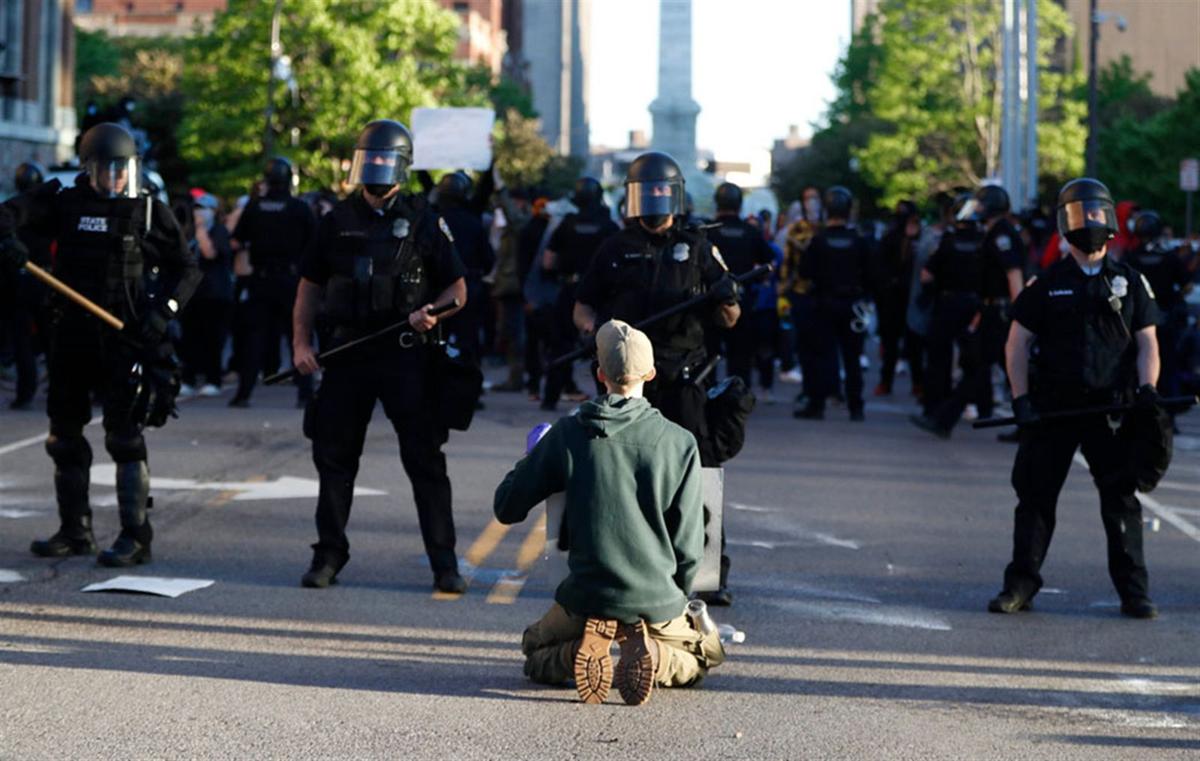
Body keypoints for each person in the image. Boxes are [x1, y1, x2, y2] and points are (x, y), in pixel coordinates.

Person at [494, 319, 725, 705]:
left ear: (599, 373)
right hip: (655, 595)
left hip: (586, 593)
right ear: (651, 374)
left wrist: (532, 458)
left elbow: (506, 507)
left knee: (534, 650)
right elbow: (688, 543)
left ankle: (576, 651)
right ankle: (656, 654)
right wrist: (675, 598)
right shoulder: (680, 443)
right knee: (704, 657)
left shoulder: (568, 434)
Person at [0, 123, 199, 566]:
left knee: (124, 438)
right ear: (89, 168)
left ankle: (135, 536)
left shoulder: (148, 211)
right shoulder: (64, 202)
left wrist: (161, 312)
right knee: (64, 437)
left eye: (124, 168)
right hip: (71, 335)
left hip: (124, 337)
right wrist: (10, 242)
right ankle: (75, 530)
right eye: (109, 169)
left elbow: (186, 269)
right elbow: (8, 214)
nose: (118, 177)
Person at [291, 119, 469, 593]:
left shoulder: (426, 221)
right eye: (367, 160)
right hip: (347, 355)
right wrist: (301, 344)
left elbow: (458, 289)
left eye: (383, 161)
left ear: (401, 167)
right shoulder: (335, 220)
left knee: (425, 460)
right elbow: (309, 287)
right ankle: (328, 554)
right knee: (334, 458)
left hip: (406, 357)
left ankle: (444, 562)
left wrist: (432, 312)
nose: (374, 169)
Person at [988, 178, 1162, 620]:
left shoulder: (1131, 282)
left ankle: (1134, 593)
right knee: (1035, 498)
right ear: (1065, 224)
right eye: (1080, 215)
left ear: (1110, 219)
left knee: (1121, 501)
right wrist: (1021, 400)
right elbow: (1015, 345)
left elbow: (1148, 344)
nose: (1090, 222)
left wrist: (1147, 392)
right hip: (1053, 409)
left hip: (1112, 410)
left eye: (1096, 213)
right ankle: (1020, 587)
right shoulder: (1046, 285)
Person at [573, 151, 741, 605]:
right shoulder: (614, 247)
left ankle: (708, 574)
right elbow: (583, 304)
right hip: (627, 381)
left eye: (661, 192)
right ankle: (621, 569)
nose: (654, 201)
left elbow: (730, 319)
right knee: (619, 475)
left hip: (685, 375)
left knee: (700, 474)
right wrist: (592, 333)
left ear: (676, 196)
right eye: (645, 192)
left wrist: (725, 297)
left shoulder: (700, 247)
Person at [228, 157, 316, 407]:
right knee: (298, 337)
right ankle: (306, 394)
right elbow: (315, 242)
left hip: (261, 279)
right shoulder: (299, 208)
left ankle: (243, 394)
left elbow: (237, 240)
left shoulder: (255, 207)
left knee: (254, 338)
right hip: (291, 280)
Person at [909, 194, 988, 437]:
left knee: (938, 360)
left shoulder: (948, 241)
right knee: (977, 359)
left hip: (948, 304)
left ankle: (936, 407)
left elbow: (927, 275)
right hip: (976, 305)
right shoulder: (984, 241)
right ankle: (980, 406)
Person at [793, 185, 872, 421]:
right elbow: (873, 274)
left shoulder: (819, 240)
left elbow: (804, 271)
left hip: (824, 304)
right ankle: (856, 407)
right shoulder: (859, 241)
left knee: (822, 356)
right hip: (852, 305)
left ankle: (817, 406)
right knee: (852, 358)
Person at [540, 177, 618, 410]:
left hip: (570, 290)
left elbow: (548, 261)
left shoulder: (567, 223)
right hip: (600, 294)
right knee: (602, 347)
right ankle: (607, 401)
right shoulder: (609, 226)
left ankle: (550, 398)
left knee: (560, 346)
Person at [705, 182, 775, 387]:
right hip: (742, 300)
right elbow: (769, 260)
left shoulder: (708, 231)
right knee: (741, 357)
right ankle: (737, 399)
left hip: (710, 301)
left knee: (709, 356)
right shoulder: (750, 232)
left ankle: (708, 395)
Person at [1125, 210, 1195, 410]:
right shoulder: (1168, 257)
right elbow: (1186, 284)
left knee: (1138, 365)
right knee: (1168, 365)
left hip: (1138, 320)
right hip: (1165, 318)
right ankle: (1168, 411)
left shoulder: (1132, 257)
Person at [2, 162, 51, 409]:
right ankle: (33, 390)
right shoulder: (22, 211)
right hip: (35, 279)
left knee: (28, 340)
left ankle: (27, 391)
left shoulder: (17, 210)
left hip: (31, 280)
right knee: (43, 338)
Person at [976, 185, 1025, 421]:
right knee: (998, 363)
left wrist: (1019, 312)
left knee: (993, 361)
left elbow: (1013, 274)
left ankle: (944, 418)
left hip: (1001, 310)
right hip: (995, 308)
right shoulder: (995, 231)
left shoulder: (1001, 235)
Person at [180, 193, 234, 397]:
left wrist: (202, 229)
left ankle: (213, 378)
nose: (199, 212)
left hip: (215, 294)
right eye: (196, 208)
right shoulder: (188, 232)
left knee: (213, 339)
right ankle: (189, 376)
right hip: (192, 293)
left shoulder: (219, 231)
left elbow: (210, 253)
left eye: (204, 208)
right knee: (190, 338)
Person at [873, 200, 921, 397]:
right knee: (891, 344)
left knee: (914, 345)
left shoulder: (920, 239)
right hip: (892, 299)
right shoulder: (890, 237)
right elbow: (880, 267)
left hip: (913, 299)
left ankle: (918, 383)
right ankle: (886, 381)